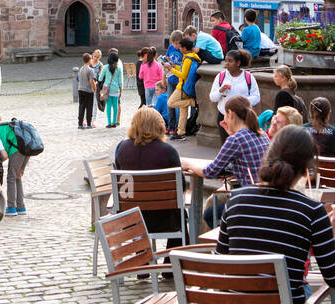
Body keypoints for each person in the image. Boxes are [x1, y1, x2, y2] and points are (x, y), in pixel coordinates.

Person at [214, 126, 335, 304]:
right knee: (303, 289)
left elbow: (221, 264)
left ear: (269, 154)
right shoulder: (311, 211)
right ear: (308, 166)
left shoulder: (235, 200)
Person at [179, 96, 268, 227]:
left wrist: (187, 164)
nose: (223, 119)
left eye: (224, 115)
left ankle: (214, 245)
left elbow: (209, 171)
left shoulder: (235, 140)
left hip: (249, 200)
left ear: (230, 114)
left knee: (209, 215)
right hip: (265, 196)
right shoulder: (261, 134)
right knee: (214, 203)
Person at [113, 107, 182, 246]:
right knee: (182, 217)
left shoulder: (122, 149)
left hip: (131, 219)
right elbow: (181, 187)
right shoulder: (168, 151)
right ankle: (170, 265)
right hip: (164, 220)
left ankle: (143, 263)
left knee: (138, 205)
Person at [166, 36, 202, 140]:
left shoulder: (187, 59)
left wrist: (170, 69)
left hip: (182, 87)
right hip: (187, 87)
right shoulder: (193, 56)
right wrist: (174, 66)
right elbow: (184, 70)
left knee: (170, 103)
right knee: (183, 111)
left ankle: (192, 102)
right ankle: (181, 132)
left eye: (181, 47)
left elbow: (182, 75)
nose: (179, 49)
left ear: (185, 48)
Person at [209, 49, 260, 117]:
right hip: (224, 116)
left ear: (238, 63)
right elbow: (212, 98)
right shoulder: (221, 76)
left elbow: (256, 97)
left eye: (230, 61)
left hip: (243, 116)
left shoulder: (248, 77)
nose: (227, 63)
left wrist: (241, 102)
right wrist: (220, 91)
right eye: (226, 61)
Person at [99, 49, 125, 128]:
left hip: (107, 89)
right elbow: (120, 82)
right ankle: (114, 122)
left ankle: (109, 122)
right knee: (115, 106)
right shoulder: (119, 69)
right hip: (116, 89)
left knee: (109, 106)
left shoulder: (105, 67)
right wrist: (121, 91)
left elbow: (100, 78)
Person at [76, 52, 97, 129]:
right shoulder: (90, 70)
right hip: (88, 90)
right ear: (89, 60)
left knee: (81, 107)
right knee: (89, 107)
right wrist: (95, 88)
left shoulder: (81, 69)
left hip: (80, 89)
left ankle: (80, 123)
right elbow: (92, 81)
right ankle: (88, 124)